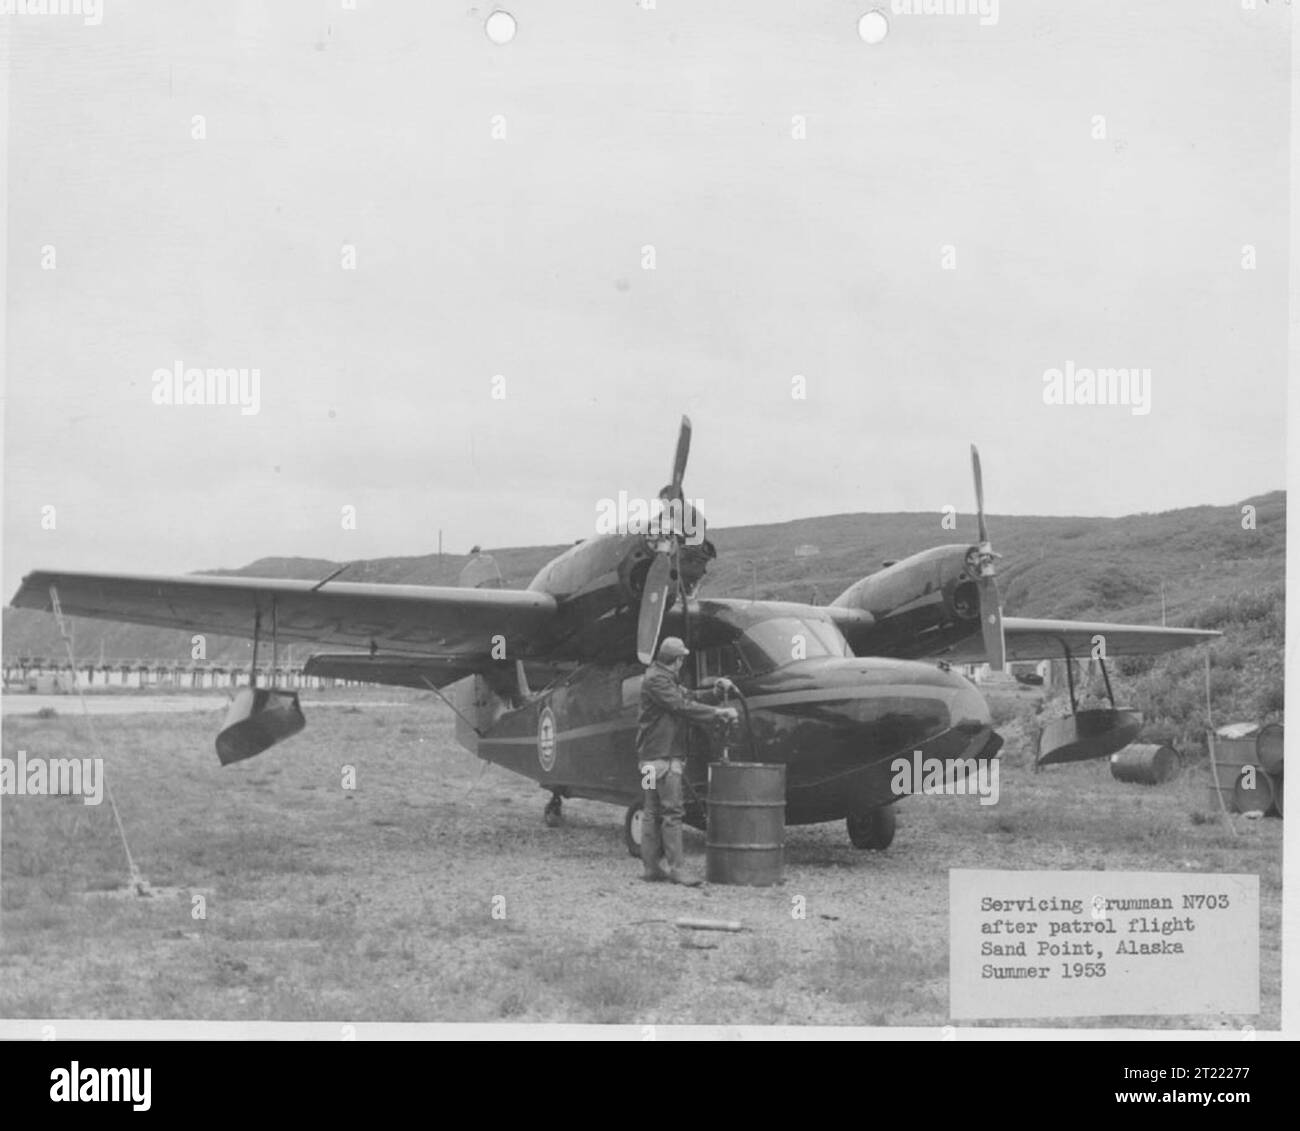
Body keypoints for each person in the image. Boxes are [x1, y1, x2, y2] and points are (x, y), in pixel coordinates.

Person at [635, 636, 739, 885]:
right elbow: (681, 705)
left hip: (649, 760)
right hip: (665, 759)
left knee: (651, 810)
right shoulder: (659, 680)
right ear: (678, 660)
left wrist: (714, 693)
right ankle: (677, 869)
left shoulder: (658, 677)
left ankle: (651, 867)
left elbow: (690, 697)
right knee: (672, 811)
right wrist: (718, 712)